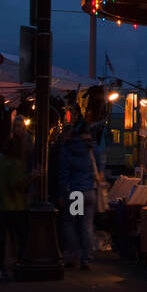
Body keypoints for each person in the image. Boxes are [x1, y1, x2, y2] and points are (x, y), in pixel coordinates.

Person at [58, 86, 108, 270]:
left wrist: (63, 191)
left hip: (76, 192)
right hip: (90, 192)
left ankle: (74, 255)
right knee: (87, 225)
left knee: (72, 224)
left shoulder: (68, 149)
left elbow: (64, 173)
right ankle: (87, 258)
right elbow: (101, 165)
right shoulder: (93, 149)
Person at [0, 130, 33, 280]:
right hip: (15, 206)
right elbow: (16, 183)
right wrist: (32, 177)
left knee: (2, 239)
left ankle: (0, 268)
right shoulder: (16, 164)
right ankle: (19, 263)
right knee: (21, 237)